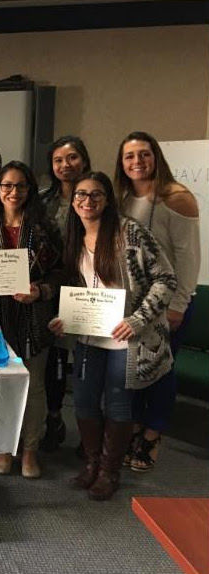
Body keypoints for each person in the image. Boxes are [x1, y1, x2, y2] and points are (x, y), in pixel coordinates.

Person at [49, 172, 176, 500]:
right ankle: (92, 463)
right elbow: (78, 288)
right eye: (81, 194)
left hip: (125, 338)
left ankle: (109, 471)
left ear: (107, 200)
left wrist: (138, 320)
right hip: (89, 335)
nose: (87, 201)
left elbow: (166, 278)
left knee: (118, 403)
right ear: (73, 200)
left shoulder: (129, 232)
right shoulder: (73, 235)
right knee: (84, 400)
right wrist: (66, 319)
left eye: (96, 195)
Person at [0, 160, 63, 479]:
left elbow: (61, 272)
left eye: (21, 185)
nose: (13, 191)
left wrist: (40, 291)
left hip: (33, 317)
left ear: (30, 190)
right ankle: (4, 447)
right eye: (7, 185)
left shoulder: (45, 228)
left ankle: (30, 449)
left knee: (33, 386)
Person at [113, 131, 201, 472]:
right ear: (122, 163)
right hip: (134, 304)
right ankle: (135, 428)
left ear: (156, 157)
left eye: (144, 154)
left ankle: (153, 433)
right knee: (135, 370)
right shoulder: (122, 199)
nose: (137, 161)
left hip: (168, 303)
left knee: (161, 371)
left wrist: (178, 305)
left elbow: (188, 258)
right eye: (130, 156)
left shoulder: (177, 198)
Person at [38, 135, 92, 452]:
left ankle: (91, 433)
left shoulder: (97, 196)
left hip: (89, 289)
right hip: (53, 287)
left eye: (71, 158)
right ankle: (54, 418)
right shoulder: (44, 201)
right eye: (58, 160)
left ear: (83, 160)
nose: (65, 165)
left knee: (89, 360)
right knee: (55, 358)